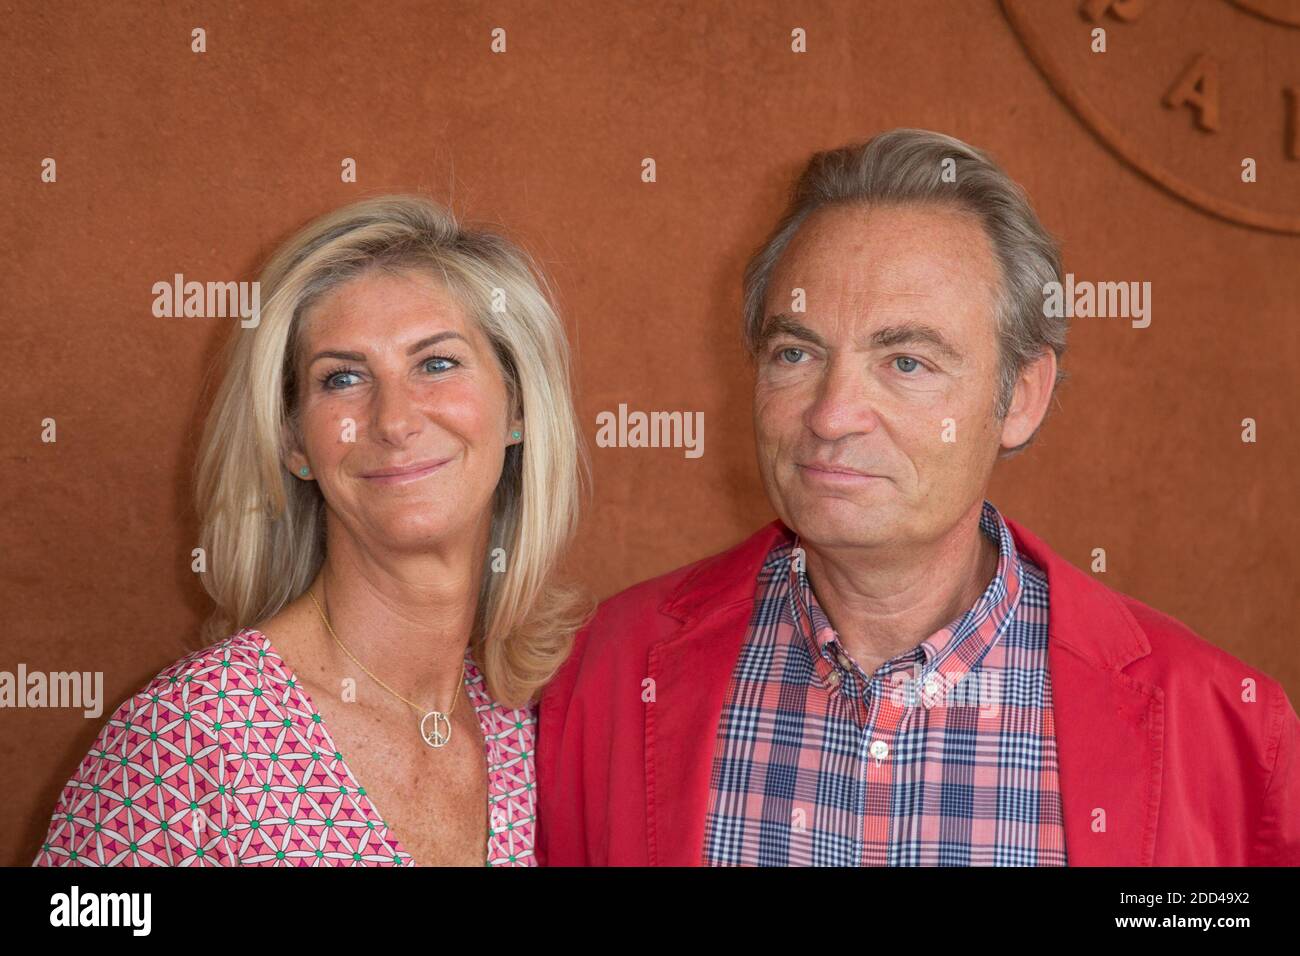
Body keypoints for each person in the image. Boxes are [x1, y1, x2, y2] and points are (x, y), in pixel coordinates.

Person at [536, 128, 1300, 866]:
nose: (831, 415)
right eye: (796, 352)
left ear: (1022, 395)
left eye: (906, 362)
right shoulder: (604, 672)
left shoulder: (1225, 728)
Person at [34, 194, 588, 867]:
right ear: (295, 442)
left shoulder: (538, 731)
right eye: (343, 378)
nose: (393, 420)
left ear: (517, 407)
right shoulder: (188, 742)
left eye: (437, 363)